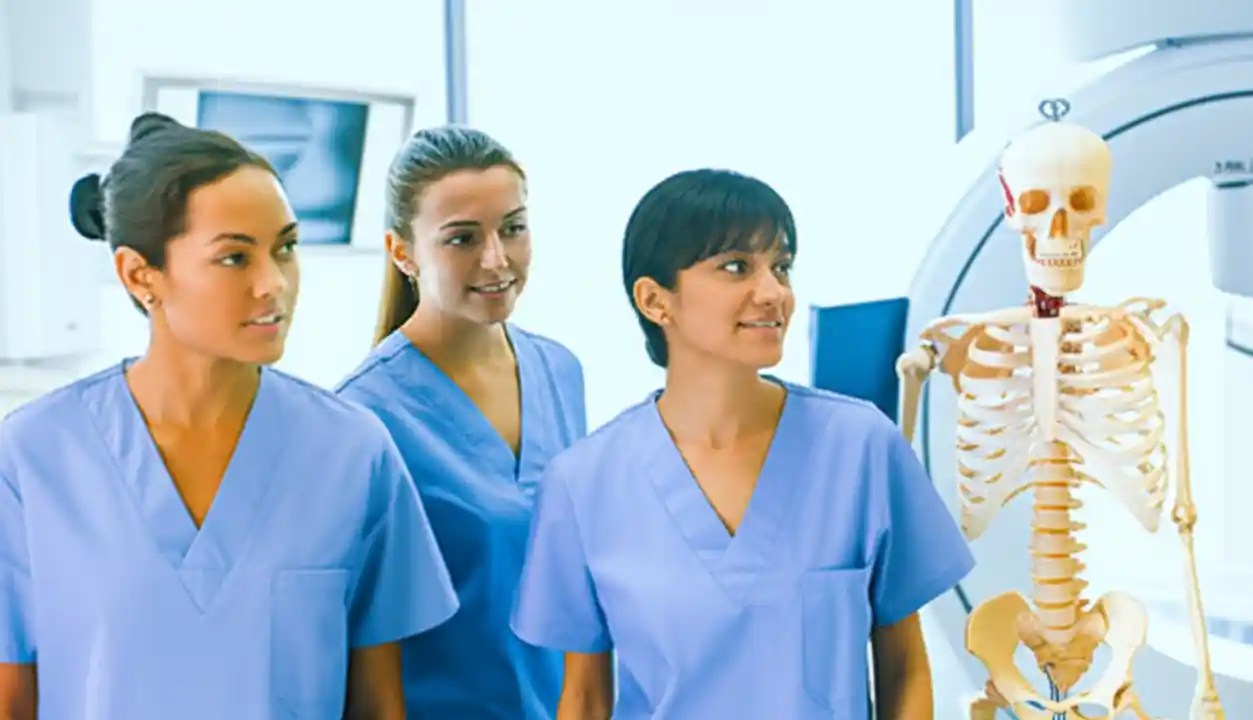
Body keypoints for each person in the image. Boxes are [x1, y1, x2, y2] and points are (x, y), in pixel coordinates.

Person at [0, 113, 459, 720]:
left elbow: (377, 705)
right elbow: (12, 699)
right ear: (141, 276)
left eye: (286, 249)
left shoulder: (351, 452)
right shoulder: (34, 456)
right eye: (234, 259)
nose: (275, 284)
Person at [509, 168, 976, 719]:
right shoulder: (584, 482)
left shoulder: (860, 449)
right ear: (656, 301)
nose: (775, 292)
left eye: (781, 266)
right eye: (736, 267)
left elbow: (904, 669)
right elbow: (584, 698)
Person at [335, 126, 586, 719]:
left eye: (513, 228)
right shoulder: (362, 419)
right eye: (462, 239)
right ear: (403, 253)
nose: (496, 259)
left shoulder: (561, 371)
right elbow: (359, 649)